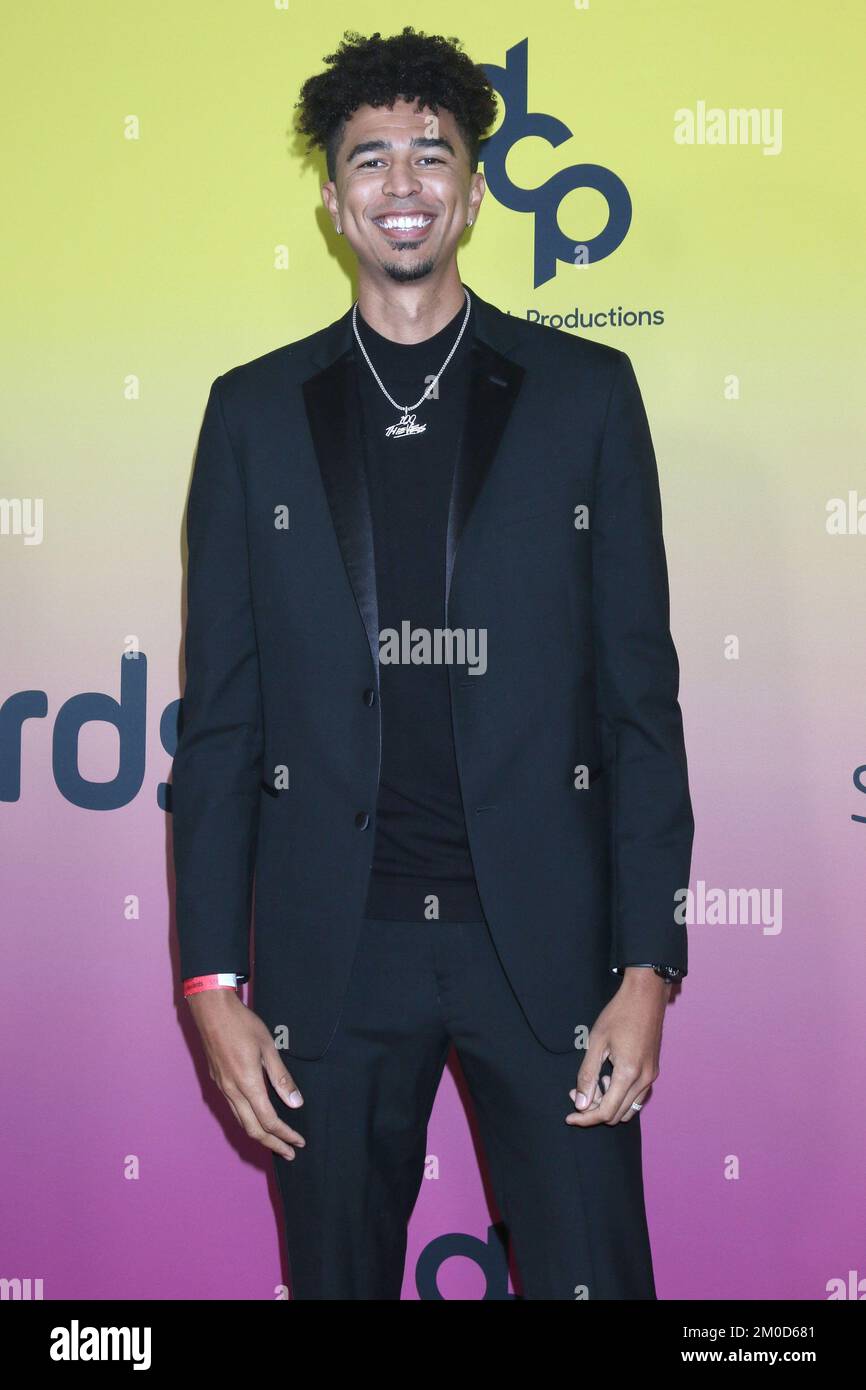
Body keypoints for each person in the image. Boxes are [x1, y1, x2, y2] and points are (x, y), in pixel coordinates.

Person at [172, 25, 695, 1301]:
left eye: (429, 154)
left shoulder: (585, 395)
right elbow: (223, 725)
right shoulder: (251, 413)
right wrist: (208, 980)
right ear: (331, 199)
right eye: (368, 159)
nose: (399, 183)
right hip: (332, 953)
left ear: (470, 191)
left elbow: (638, 703)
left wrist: (646, 967)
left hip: (548, 947)